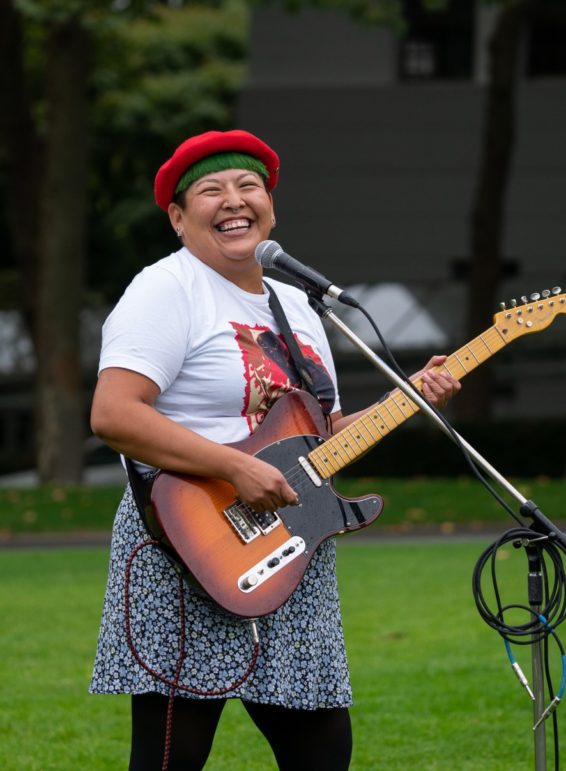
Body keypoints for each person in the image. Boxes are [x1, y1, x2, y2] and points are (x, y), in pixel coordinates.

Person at [89, 128, 460, 771]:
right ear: (178, 218)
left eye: (248, 186)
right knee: (171, 754)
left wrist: (410, 400)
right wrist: (236, 466)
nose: (233, 200)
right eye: (211, 190)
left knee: (321, 750)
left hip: (292, 541)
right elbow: (114, 414)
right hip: (187, 543)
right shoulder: (166, 290)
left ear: (271, 209)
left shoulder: (298, 305)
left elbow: (324, 441)